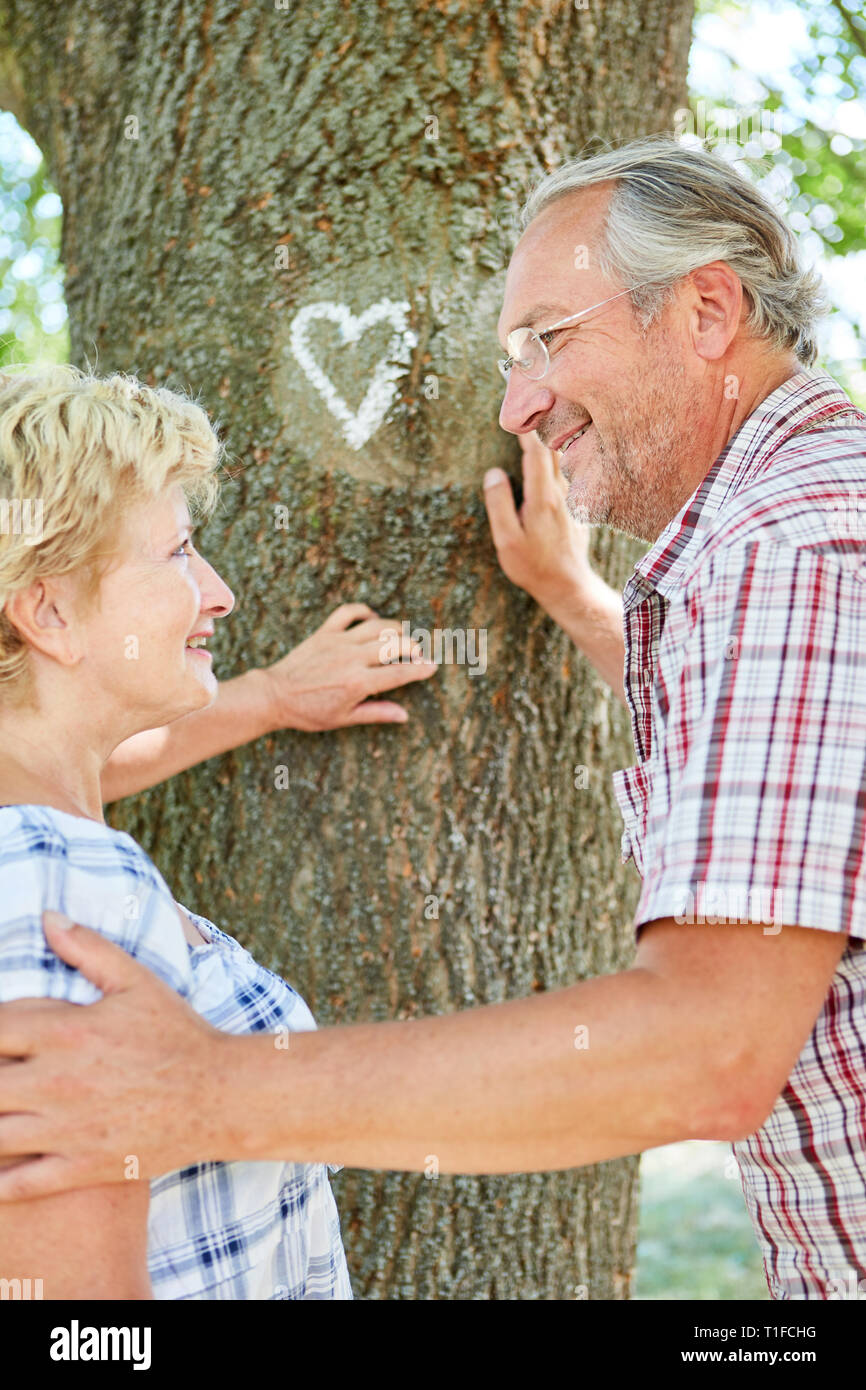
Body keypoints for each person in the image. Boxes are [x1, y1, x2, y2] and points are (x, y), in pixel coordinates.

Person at [2, 135, 865, 1301]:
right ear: (44, 611)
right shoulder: (785, 541)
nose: (518, 402)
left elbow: (705, 1049)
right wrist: (571, 597)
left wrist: (205, 1089)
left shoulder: (787, 550)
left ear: (706, 308)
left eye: (547, 339)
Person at [0, 363, 437, 1299]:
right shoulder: (62, 881)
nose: (221, 592)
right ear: (48, 612)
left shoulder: (38, 835)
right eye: (178, 553)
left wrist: (270, 697)